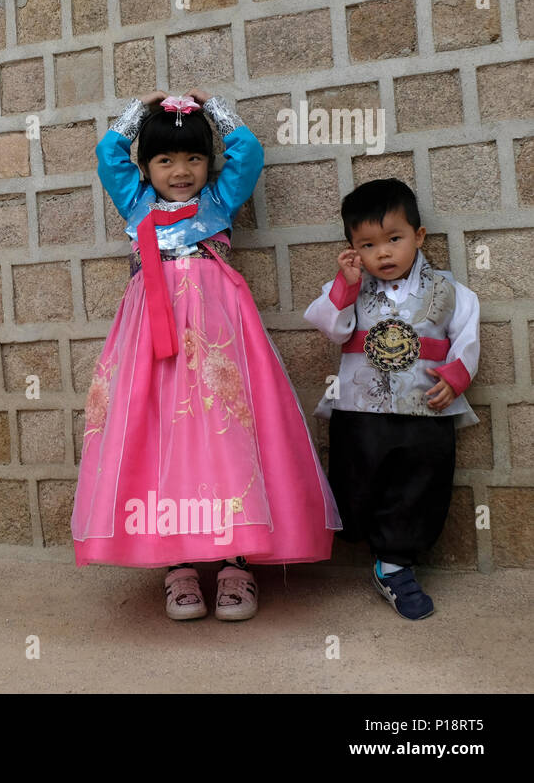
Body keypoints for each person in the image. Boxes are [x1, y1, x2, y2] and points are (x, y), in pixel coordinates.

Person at [72, 88, 341, 621]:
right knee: (160, 437)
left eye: (194, 157)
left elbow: (249, 154)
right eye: (165, 159)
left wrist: (212, 107)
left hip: (221, 339)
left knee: (229, 435)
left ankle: (237, 564)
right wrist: (139, 114)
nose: (180, 170)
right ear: (145, 168)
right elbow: (108, 154)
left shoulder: (218, 201)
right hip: (153, 340)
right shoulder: (138, 203)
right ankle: (178, 567)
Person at [303, 178, 479, 620]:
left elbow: (467, 336)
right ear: (352, 249)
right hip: (360, 410)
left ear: (418, 236)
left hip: (425, 409)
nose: (383, 253)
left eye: (394, 239)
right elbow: (332, 327)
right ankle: (362, 536)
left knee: (420, 481)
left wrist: (458, 374)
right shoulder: (348, 287)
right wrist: (343, 287)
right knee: (357, 476)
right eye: (368, 244)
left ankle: (395, 564)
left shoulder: (449, 290)